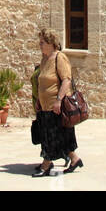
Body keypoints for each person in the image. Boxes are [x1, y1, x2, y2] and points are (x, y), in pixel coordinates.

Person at [31, 28, 82, 176]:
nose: (40, 45)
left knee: (51, 135)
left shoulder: (59, 58)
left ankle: (46, 165)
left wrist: (58, 100)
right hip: (45, 105)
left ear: (51, 43)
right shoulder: (45, 59)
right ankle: (74, 159)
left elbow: (66, 80)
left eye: (42, 42)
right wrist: (39, 100)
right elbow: (41, 82)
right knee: (57, 135)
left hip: (56, 106)